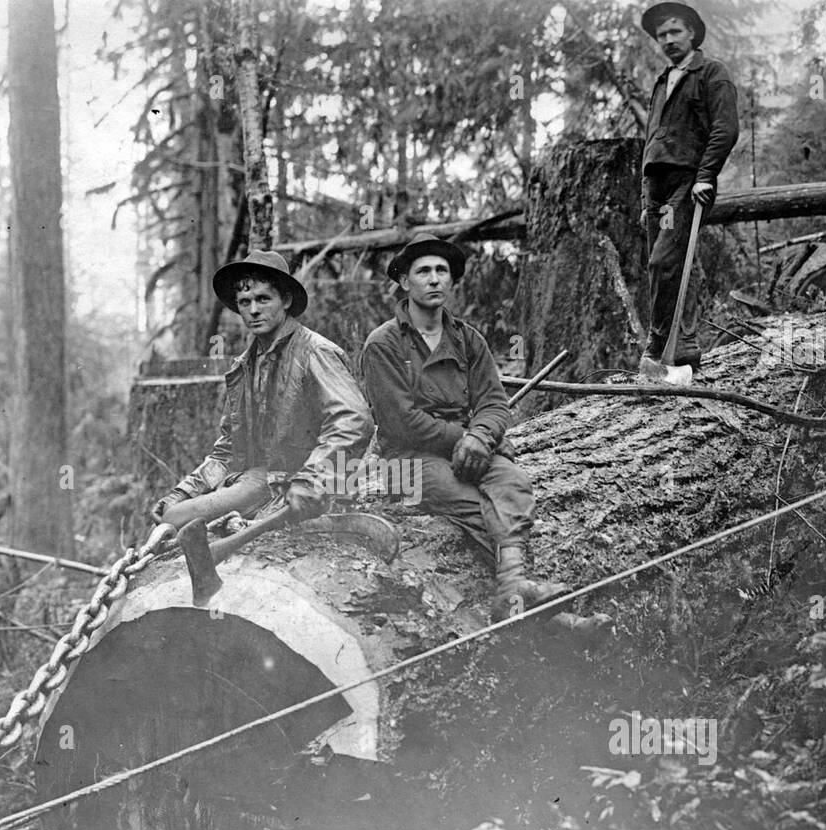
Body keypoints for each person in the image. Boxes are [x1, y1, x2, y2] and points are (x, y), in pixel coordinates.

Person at [358, 233, 567, 623]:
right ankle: (543, 614)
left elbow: (492, 401)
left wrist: (482, 436)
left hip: (470, 447)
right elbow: (402, 422)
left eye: (442, 270)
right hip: (406, 463)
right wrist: (466, 439)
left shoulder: (468, 339)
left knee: (514, 485)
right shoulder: (383, 344)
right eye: (423, 271)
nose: (434, 279)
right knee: (479, 506)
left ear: (452, 280)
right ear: (405, 282)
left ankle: (512, 593)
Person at [152, 250, 372, 528]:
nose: (253, 309)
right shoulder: (244, 367)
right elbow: (228, 449)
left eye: (263, 299)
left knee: (176, 518)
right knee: (171, 511)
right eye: (245, 302)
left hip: (297, 481)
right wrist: (183, 491)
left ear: (286, 301)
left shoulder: (315, 351)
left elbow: (353, 420)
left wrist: (312, 480)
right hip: (257, 479)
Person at [638, 2, 739, 382]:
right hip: (657, 190)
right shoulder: (663, 80)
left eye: (674, 32)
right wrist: (643, 196)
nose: (668, 40)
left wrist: (706, 175)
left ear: (692, 33)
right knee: (667, 266)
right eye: (662, 35)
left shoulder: (711, 73)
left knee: (665, 262)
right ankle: (682, 352)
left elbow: (725, 129)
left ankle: (662, 348)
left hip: (687, 184)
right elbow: (651, 140)